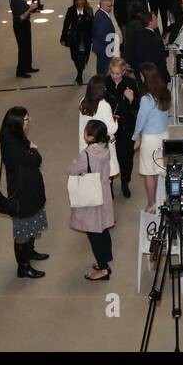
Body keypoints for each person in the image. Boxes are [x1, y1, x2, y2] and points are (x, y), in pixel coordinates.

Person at [0, 106, 49, 279]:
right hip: (23, 192)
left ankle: (30, 252)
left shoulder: (14, 136)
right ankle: (23, 266)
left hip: (29, 188)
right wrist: (33, 148)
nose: (29, 122)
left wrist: (30, 146)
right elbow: (36, 160)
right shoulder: (12, 143)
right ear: (16, 123)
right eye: (26, 120)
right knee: (22, 231)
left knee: (32, 221)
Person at [71, 119, 117, 281]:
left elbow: (74, 170)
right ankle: (106, 258)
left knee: (94, 233)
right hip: (104, 192)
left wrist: (75, 162)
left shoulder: (87, 154)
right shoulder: (105, 148)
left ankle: (103, 269)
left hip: (91, 196)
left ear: (90, 137)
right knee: (103, 229)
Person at [132, 64, 171, 212]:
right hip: (164, 136)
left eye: (141, 75)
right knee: (160, 170)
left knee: (149, 173)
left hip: (150, 139)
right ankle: (162, 201)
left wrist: (135, 137)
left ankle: (151, 203)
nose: (140, 78)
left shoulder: (146, 99)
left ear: (146, 77)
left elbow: (140, 121)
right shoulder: (165, 93)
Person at [103, 58, 140, 197]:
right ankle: (110, 185)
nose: (115, 76)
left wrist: (131, 99)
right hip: (109, 129)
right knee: (109, 158)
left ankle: (125, 183)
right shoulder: (105, 83)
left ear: (124, 72)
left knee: (127, 159)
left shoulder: (130, 83)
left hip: (126, 127)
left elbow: (137, 107)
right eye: (112, 73)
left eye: (118, 73)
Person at [78, 76, 119, 184]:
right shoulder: (105, 106)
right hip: (103, 149)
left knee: (93, 179)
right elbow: (111, 129)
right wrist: (115, 120)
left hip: (87, 146)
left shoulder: (83, 102)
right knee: (105, 180)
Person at [122, 10, 170, 84]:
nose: (157, 20)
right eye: (155, 19)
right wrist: (165, 76)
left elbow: (131, 53)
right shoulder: (157, 39)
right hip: (154, 75)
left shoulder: (136, 37)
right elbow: (161, 60)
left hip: (140, 74)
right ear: (150, 22)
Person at [10, 0, 43, 77]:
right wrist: (31, 9)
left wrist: (30, 8)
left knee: (27, 46)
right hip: (21, 26)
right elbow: (21, 17)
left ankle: (27, 66)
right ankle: (20, 71)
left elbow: (23, 8)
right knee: (23, 48)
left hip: (24, 25)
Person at [60, 0, 95, 85]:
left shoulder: (89, 10)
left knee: (83, 57)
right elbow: (66, 25)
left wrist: (93, 37)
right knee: (75, 57)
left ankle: (79, 75)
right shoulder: (71, 10)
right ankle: (79, 72)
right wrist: (63, 38)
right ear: (75, 1)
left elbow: (92, 25)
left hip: (85, 38)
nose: (81, 1)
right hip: (75, 38)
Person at [92, 0, 121, 77]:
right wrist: (110, 47)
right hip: (104, 49)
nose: (111, 8)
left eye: (111, 5)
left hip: (102, 48)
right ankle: (102, 84)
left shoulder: (101, 14)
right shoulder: (102, 18)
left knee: (102, 67)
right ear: (103, 6)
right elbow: (101, 34)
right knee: (104, 69)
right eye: (109, 6)